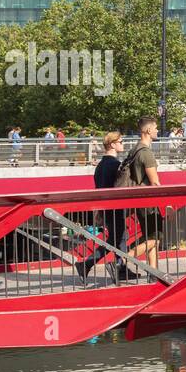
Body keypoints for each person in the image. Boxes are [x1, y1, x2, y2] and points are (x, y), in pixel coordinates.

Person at [74, 132, 127, 281]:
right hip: (114, 206)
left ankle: (121, 269)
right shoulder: (115, 165)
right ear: (112, 144)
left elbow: (99, 188)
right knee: (115, 239)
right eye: (121, 141)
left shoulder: (101, 165)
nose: (123, 144)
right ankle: (87, 264)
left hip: (106, 207)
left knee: (120, 237)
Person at [117, 116, 163, 272]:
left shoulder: (134, 149)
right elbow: (155, 182)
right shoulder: (146, 153)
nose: (157, 130)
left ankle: (153, 272)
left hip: (139, 201)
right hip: (149, 202)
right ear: (149, 130)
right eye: (156, 128)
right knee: (156, 238)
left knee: (151, 238)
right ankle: (122, 259)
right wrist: (167, 204)